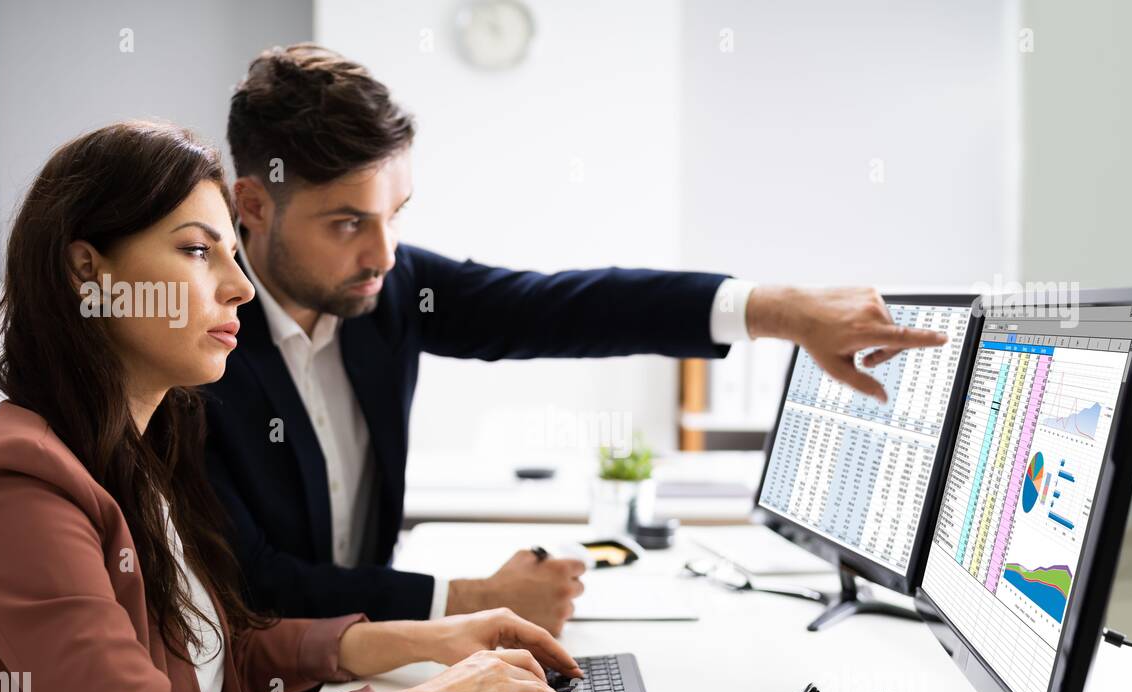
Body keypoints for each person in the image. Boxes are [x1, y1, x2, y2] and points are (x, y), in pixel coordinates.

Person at [0, 121, 585, 692]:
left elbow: (210, 659)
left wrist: (424, 640)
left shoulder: (130, 453)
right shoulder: (15, 487)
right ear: (89, 272)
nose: (240, 286)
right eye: (198, 250)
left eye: (232, 254)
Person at [202, 43, 948, 638]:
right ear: (254, 205)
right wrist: (473, 598)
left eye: (397, 213)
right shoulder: (195, 348)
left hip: (380, 672)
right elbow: (254, 582)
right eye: (348, 223)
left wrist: (775, 310)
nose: (386, 253)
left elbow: (560, 307)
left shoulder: (387, 288)